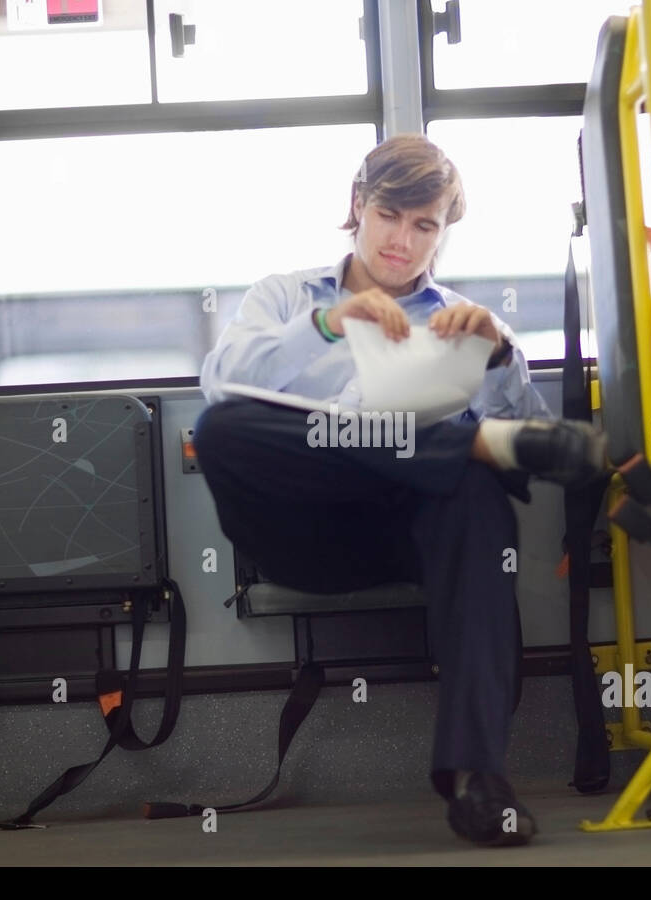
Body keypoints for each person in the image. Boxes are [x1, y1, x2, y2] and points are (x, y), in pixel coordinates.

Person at [194, 133, 606, 847]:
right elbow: (223, 378)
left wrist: (502, 359)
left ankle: (479, 780)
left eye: (426, 226)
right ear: (358, 206)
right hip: (301, 530)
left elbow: (535, 450)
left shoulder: (468, 324)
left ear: (443, 234)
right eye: (391, 216)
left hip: (408, 531)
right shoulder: (287, 296)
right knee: (224, 426)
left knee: (478, 488)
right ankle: (460, 443)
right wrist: (328, 323)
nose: (403, 241)